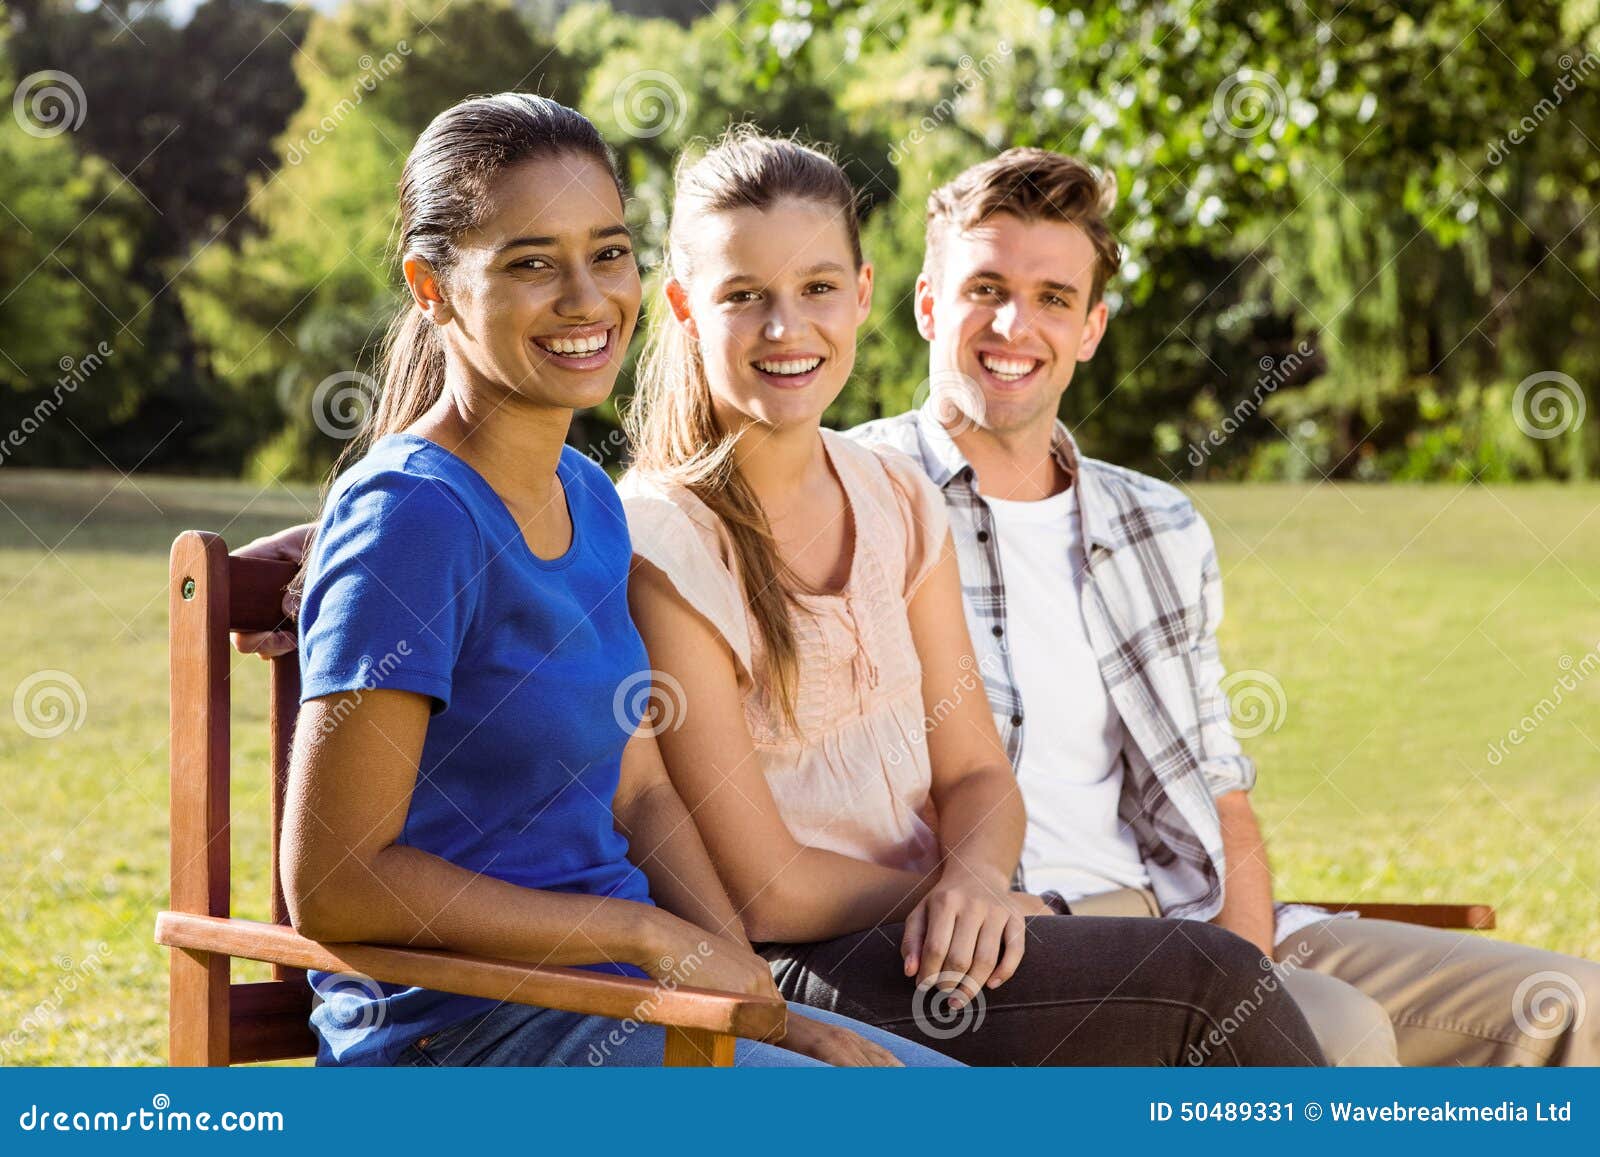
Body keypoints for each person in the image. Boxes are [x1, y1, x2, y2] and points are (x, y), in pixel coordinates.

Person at [849, 146, 1600, 1066]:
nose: (1015, 324)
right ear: (928, 303)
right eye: (985, 288)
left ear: (1092, 328)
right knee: (1340, 1034)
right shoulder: (856, 494)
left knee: (1570, 1007)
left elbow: (1219, 786)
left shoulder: (1159, 523)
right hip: (1021, 949)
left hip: (1203, 917)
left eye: (1053, 298)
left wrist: (1243, 966)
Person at [616, 128, 1327, 1067]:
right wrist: (953, 896)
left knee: (1214, 982)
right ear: (682, 308)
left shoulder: (896, 497)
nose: (787, 329)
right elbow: (767, 886)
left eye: (818, 288)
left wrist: (980, 874)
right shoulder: (663, 536)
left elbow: (978, 776)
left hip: (942, 931)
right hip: (807, 961)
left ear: (862, 295)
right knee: (1206, 982)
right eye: (744, 296)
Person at [276, 92, 958, 1069]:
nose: (587, 297)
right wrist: (640, 936)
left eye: (606, 251)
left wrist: (742, 983)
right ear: (430, 287)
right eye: (530, 263)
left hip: (623, 1004)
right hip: (464, 1040)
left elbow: (639, 792)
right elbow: (336, 883)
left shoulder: (587, 498)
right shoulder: (413, 516)